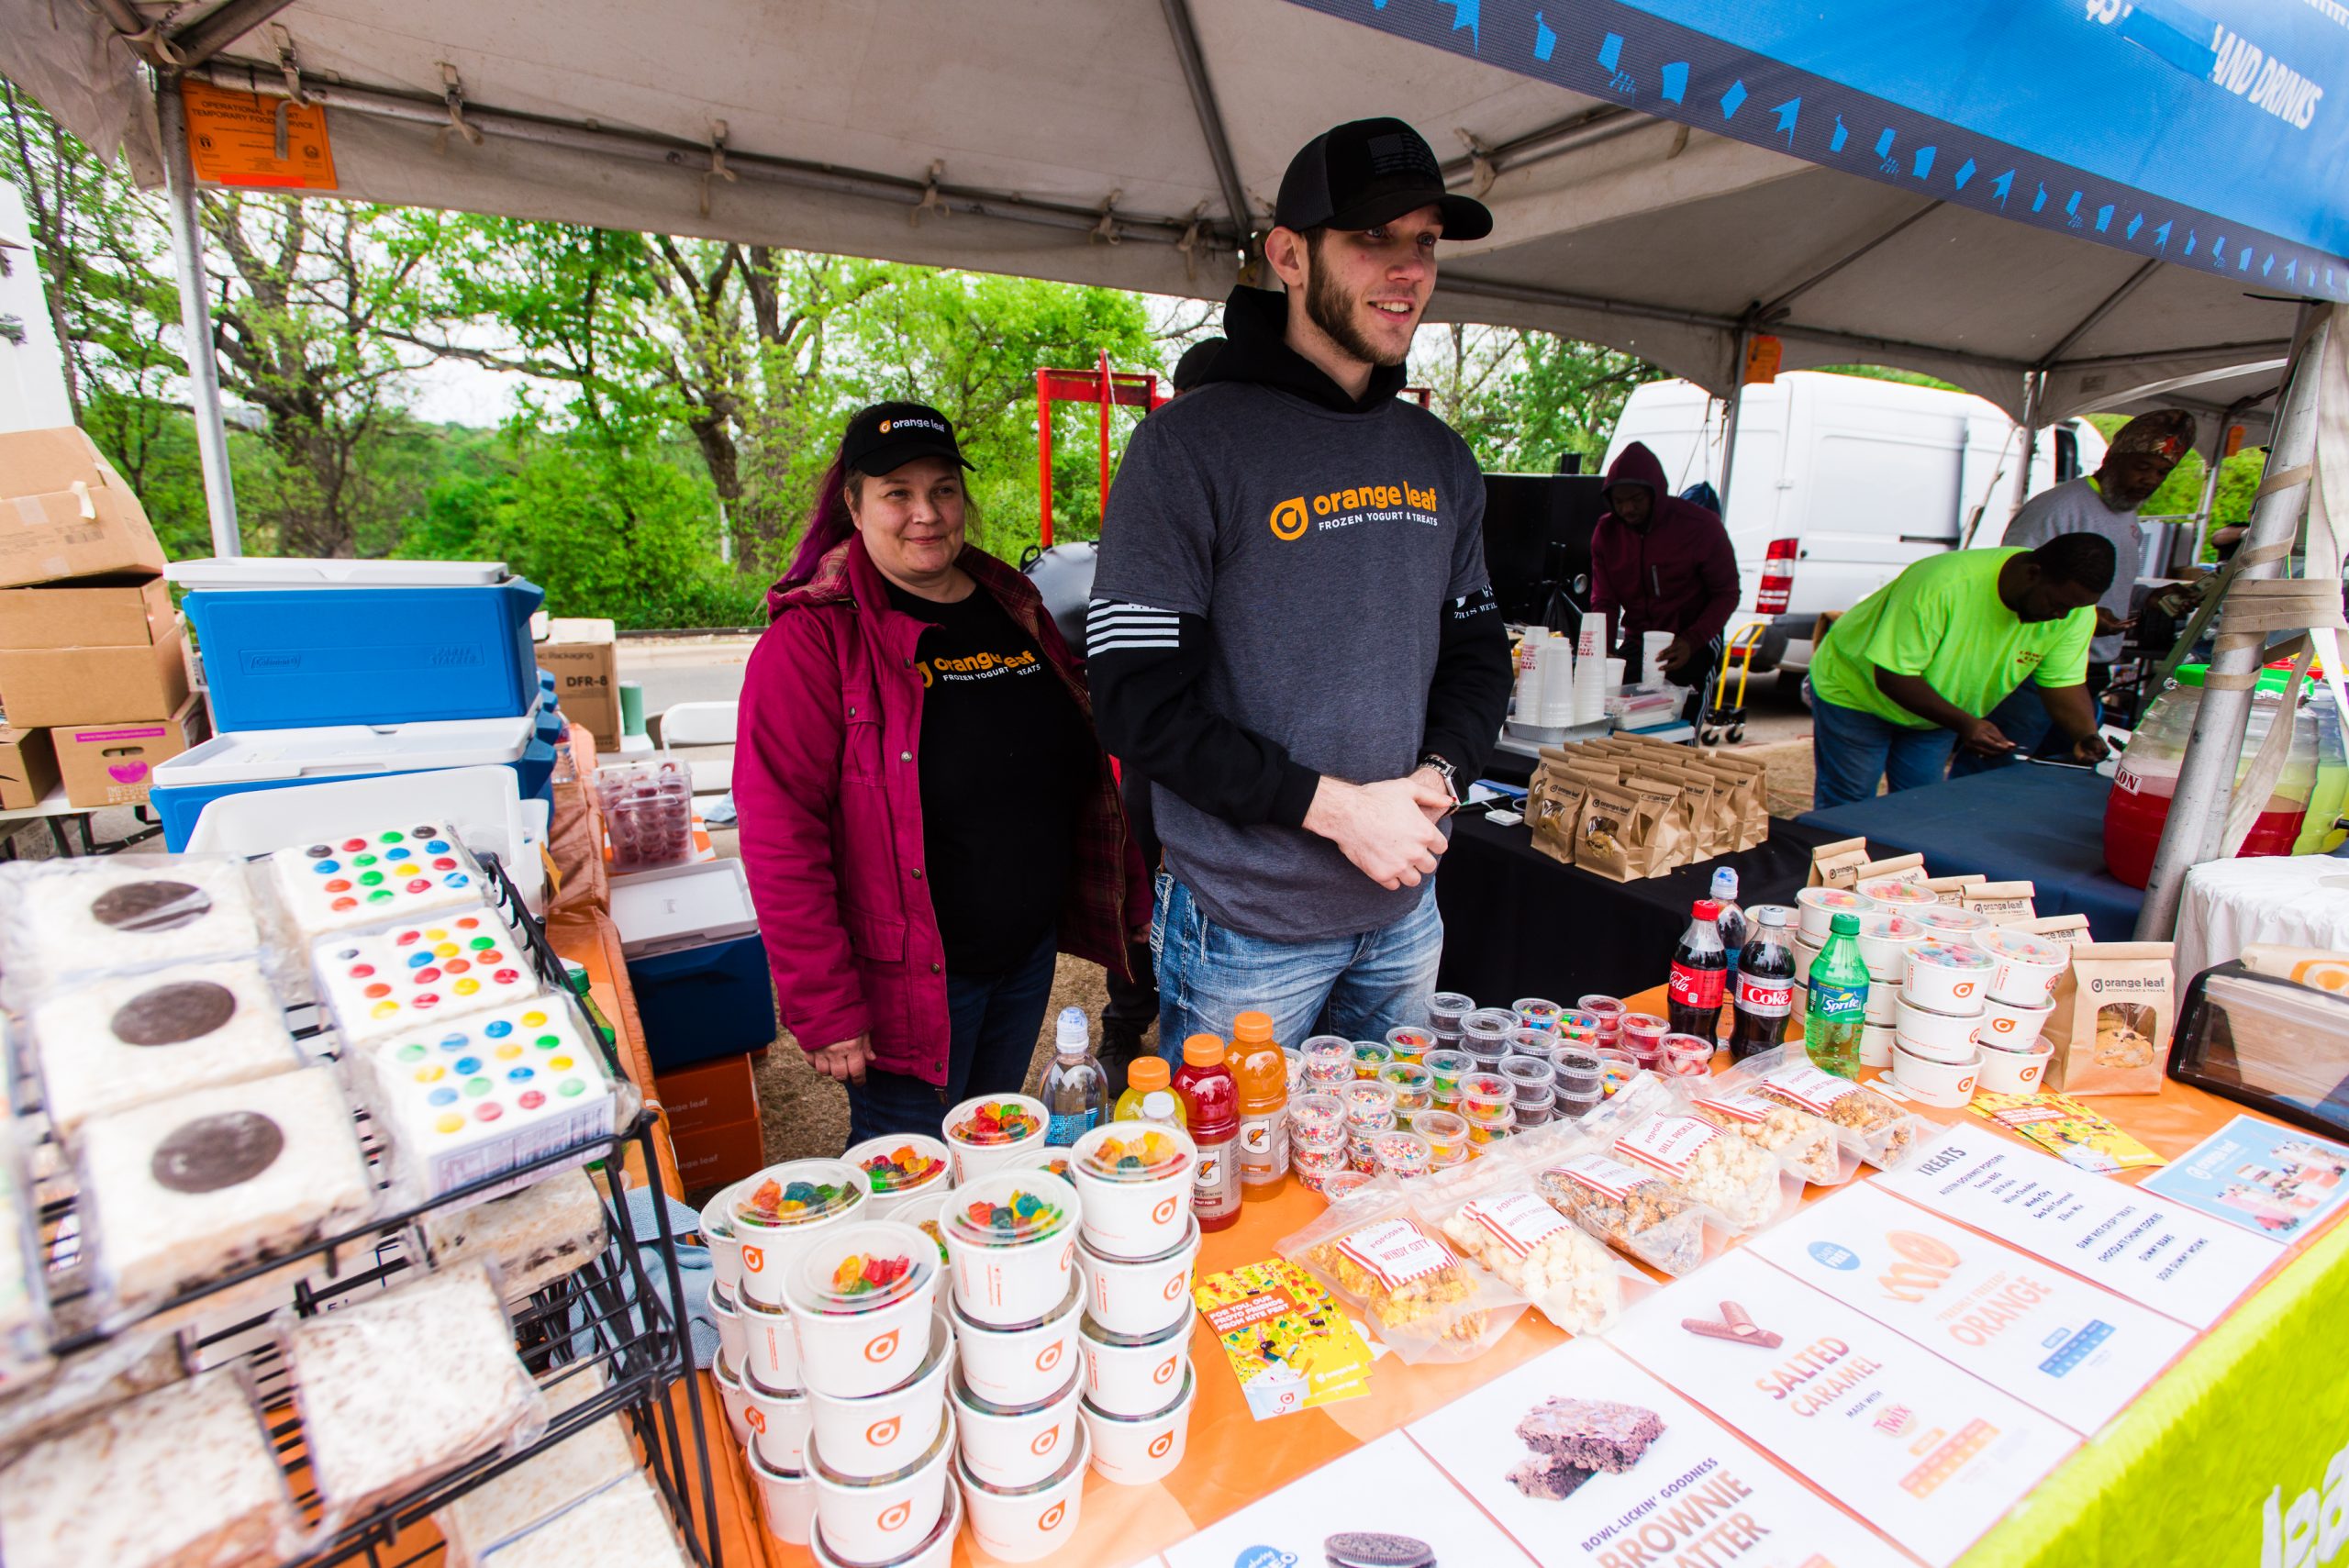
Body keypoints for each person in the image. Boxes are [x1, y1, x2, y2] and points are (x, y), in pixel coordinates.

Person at [1089, 117, 1513, 1053]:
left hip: (1403, 912)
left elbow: (1477, 653)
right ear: (1287, 253)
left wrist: (1437, 777)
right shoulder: (1188, 445)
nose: (1406, 269)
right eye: (1372, 238)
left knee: (1381, 1173)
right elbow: (1134, 703)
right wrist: (1341, 809)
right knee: (1232, 1189)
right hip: (1247, 931)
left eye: (1424, 243)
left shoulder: (1439, 458)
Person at [736, 401, 1149, 1142]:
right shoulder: (812, 640)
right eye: (897, 492)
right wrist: (824, 1005)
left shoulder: (1010, 604)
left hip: (1021, 956)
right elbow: (779, 838)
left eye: (944, 489)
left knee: (989, 1145)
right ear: (853, 505)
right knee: (911, 1169)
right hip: (912, 979)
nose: (925, 512)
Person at [1098, 337, 1227, 1084]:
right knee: (1141, 882)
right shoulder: (1164, 467)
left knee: (1162, 883)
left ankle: (1131, 1022)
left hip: (1226, 742)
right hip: (1164, 743)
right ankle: (1122, 1027)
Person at [1806, 534, 2117, 809]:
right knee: (1850, 805)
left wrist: (2085, 734)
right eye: (2057, 604)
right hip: (1855, 693)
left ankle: (1898, 875)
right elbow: (1892, 676)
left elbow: (2063, 682)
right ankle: (1836, 876)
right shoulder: (1941, 583)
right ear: (2033, 574)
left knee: (1919, 806)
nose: (2061, 616)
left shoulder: (2072, 611)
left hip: (1936, 713)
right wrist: (1966, 723)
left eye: (2074, 609)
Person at [1959, 408, 2194, 772]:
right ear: (2113, 458)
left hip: (2091, 668)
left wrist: (2146, 597)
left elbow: (2108, 590)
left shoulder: (2126, 514)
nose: (2150, 480)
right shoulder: (2058, 508)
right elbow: (2014, 582)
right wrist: (2082, 616)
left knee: (2059, 769)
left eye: (2162, 473)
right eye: (2142, 467)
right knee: (1996, 765)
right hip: (2033, 670)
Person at [1587, 441, 1740, 695]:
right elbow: (1604, 600)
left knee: (1682, 720)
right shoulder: (1606, 533)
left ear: (1655, 493)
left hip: (1693, 642)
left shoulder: (1701, 527)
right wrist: (1604, 648)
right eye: (1619, 501)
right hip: (1638, 640)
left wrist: (1692, 640)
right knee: (1621, 712)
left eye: (1636, 499)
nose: (1627, 509)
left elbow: (1727, 593)